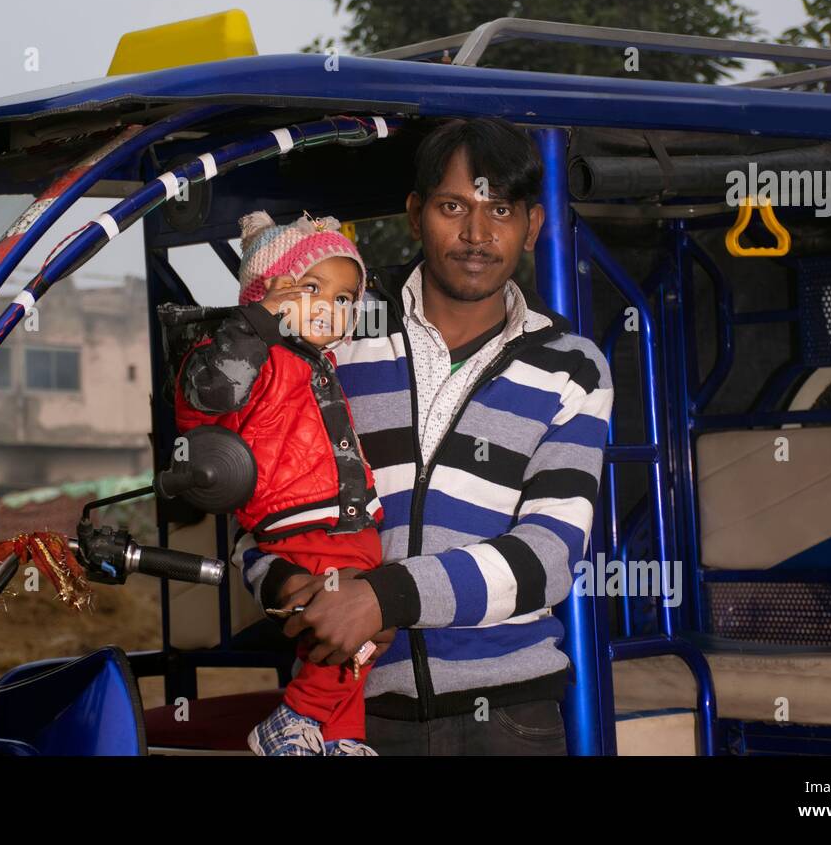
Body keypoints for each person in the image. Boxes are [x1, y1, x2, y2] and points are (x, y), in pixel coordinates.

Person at [232, 117, 614, 755]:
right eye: (453, 207)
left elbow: (549, 555)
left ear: (532, 226)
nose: (476, 233)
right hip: (352, 717)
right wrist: (285, 586)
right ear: (415, 215)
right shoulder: (340, 342)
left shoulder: (571, 365)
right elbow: (267, 511)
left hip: (510, 722)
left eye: (500, 210)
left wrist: (381, 598)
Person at [170, 209, 385, 756]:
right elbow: (209, 397)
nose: (329, 308)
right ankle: (296, 715)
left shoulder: (315, 362)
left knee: (360, 630)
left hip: (346, 517)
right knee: (348, 621)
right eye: (312, 288)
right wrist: (256, 323)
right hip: (297, 516)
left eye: (343, 298)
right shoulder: (248, 353)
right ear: (268, 292)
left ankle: (340, 738)